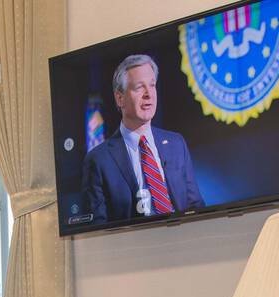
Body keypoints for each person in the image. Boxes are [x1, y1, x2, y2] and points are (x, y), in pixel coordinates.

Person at [82, 54, 204, 224]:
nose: (149, 94)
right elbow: (98, 227)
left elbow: (196, 207)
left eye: (152, 85)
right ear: (120, 98)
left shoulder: (176, 144)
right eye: (139, 87)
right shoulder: (98, 160)